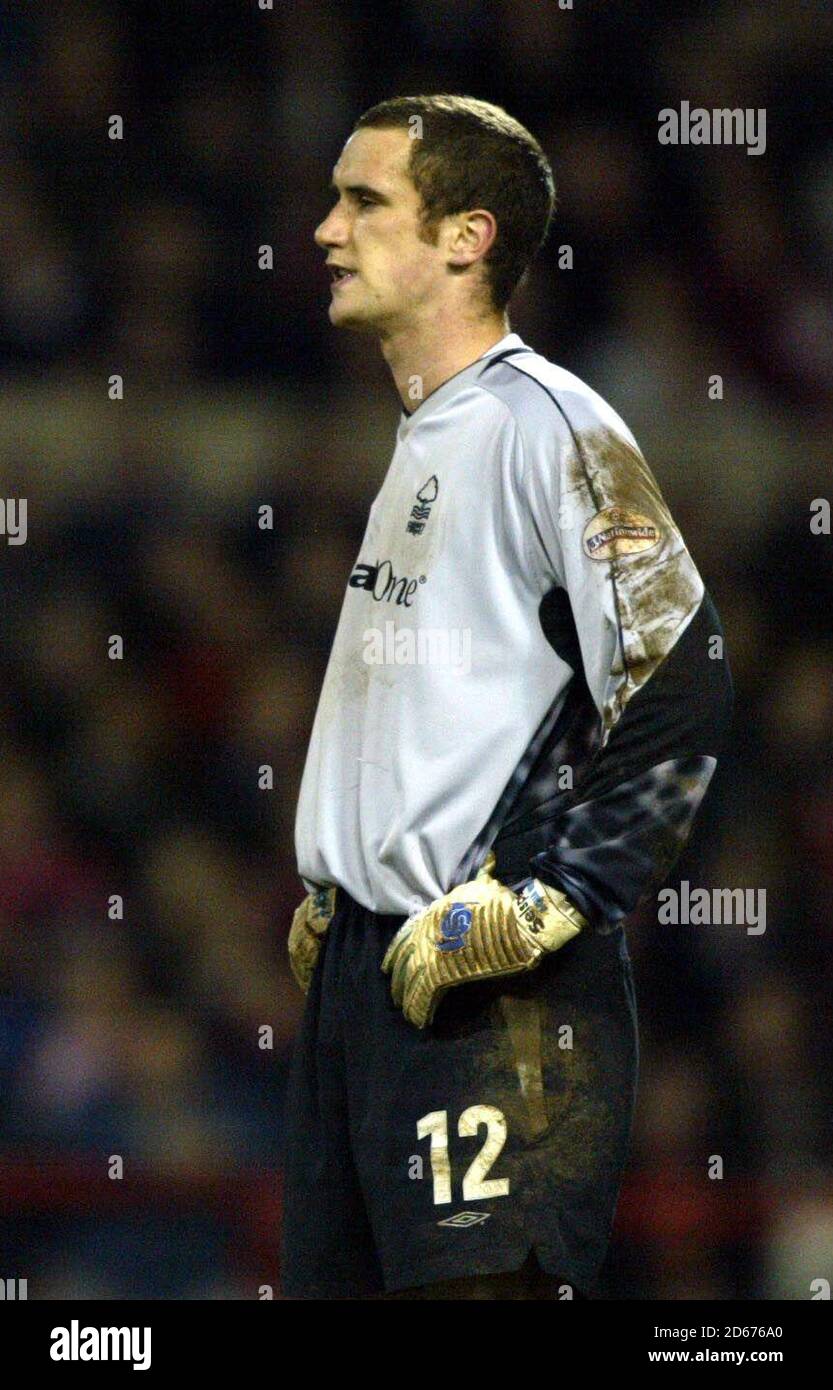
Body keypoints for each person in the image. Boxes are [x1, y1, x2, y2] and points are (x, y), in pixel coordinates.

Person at [281, 94, 733, 1300]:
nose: (326, 229)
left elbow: (683, 674)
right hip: (368, 983)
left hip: (491, 994)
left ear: (465, 237)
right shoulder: (427, 433)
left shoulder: (550, 424)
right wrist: (346, 874)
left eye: (363, 200)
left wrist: (556, 896)